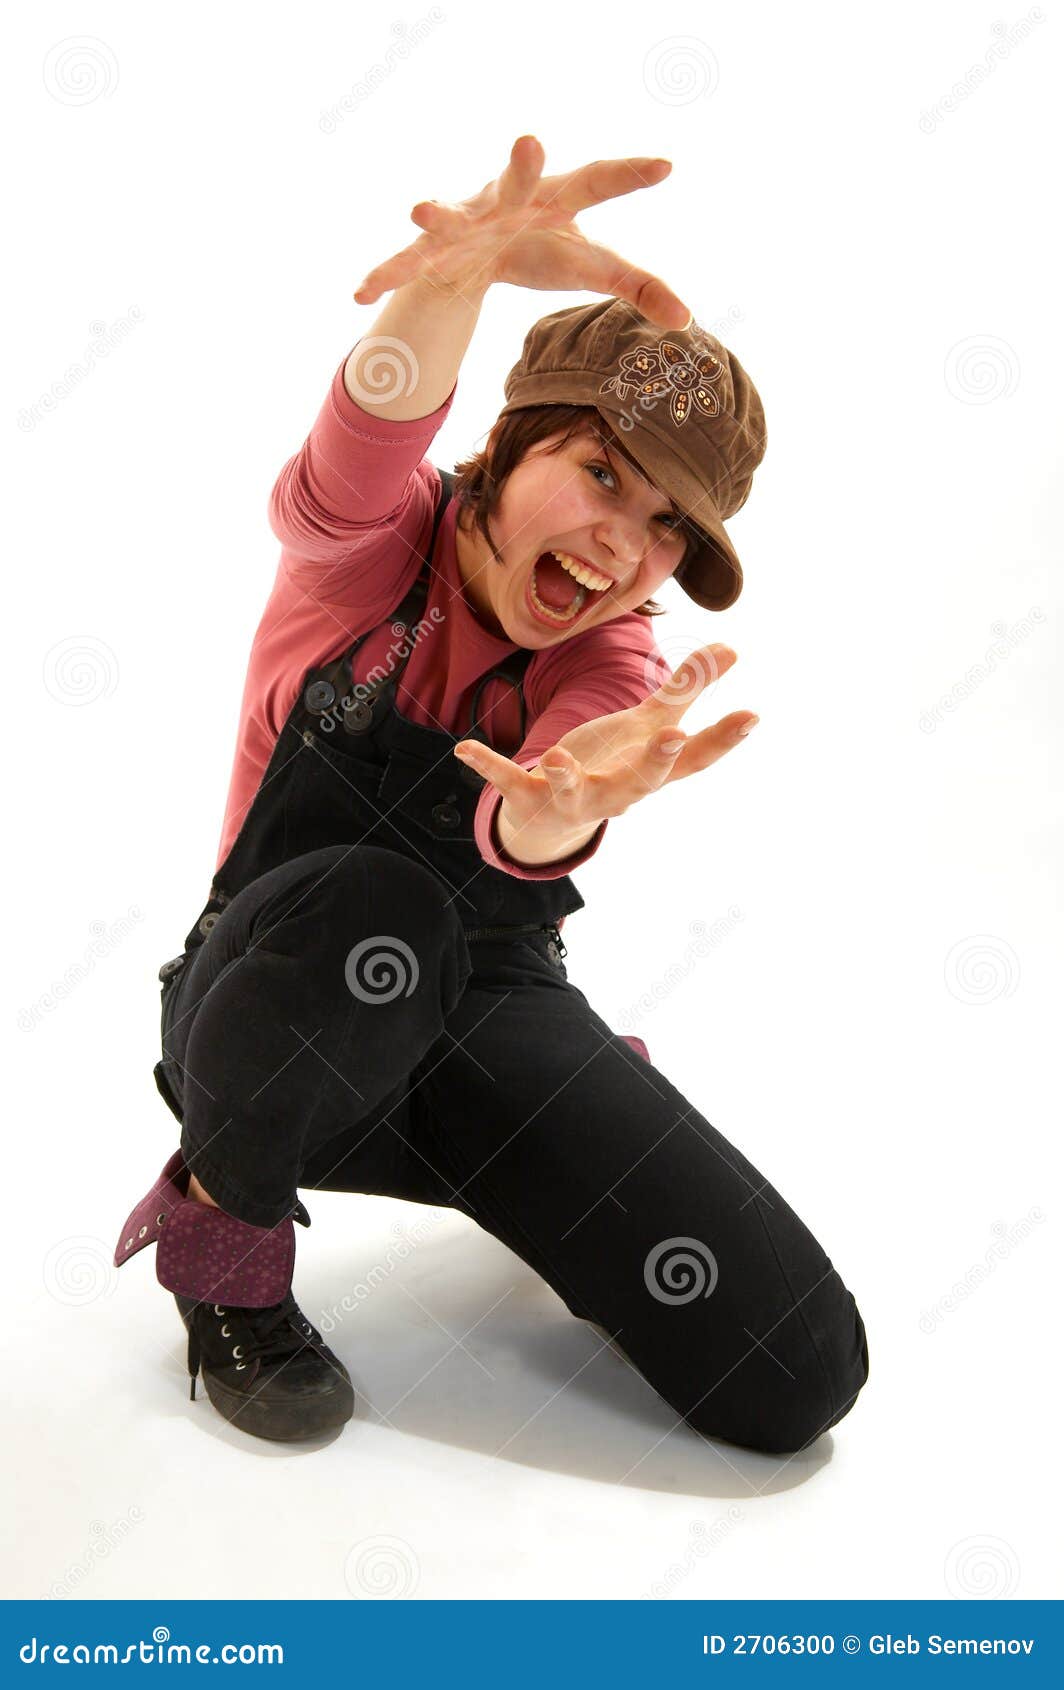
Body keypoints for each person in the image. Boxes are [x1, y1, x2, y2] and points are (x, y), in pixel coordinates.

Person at [113, 136, 869, 1453]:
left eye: (668, 528)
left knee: (793, 1370)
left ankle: (520, 1142)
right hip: (266, 1013)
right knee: (374, 906)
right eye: (603, 473)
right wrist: (452, 283)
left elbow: (535, 814)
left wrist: (565, 797)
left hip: (482, 1005)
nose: (624, 542)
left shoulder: (612, 653)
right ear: (510, 445)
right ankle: (222, 1241)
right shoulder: (372, 542)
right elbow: (368, 427)